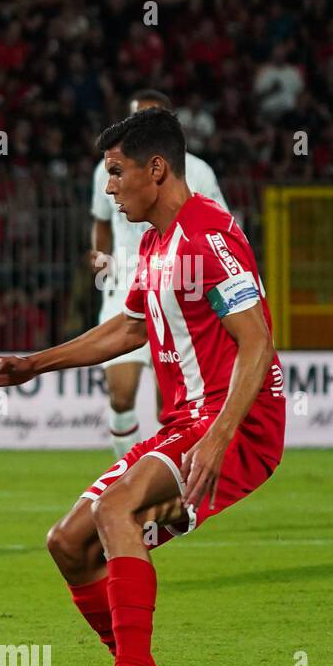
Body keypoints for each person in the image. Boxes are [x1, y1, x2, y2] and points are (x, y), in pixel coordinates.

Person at [0, 108, 285, 666]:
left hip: (233, 421)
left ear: (155, 168)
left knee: (116, 509)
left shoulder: (207, 237)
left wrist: (218, 437)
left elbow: (257, 340)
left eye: (116, 172)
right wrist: (33, 363)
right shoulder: (159, 244)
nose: (108, 188)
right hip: (186, 423)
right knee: (69, 543)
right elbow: (130, 327)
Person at [88, 90, 228, 458]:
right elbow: (100, 222)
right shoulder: (109, 166)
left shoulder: (198, 172)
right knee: (120, 393)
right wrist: (102, 258)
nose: (111, 185)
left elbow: (220, 226)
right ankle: (128, 470)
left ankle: (164, 482)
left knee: (171, 405)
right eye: (136, 117)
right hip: (126, 282)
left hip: (179, 285)